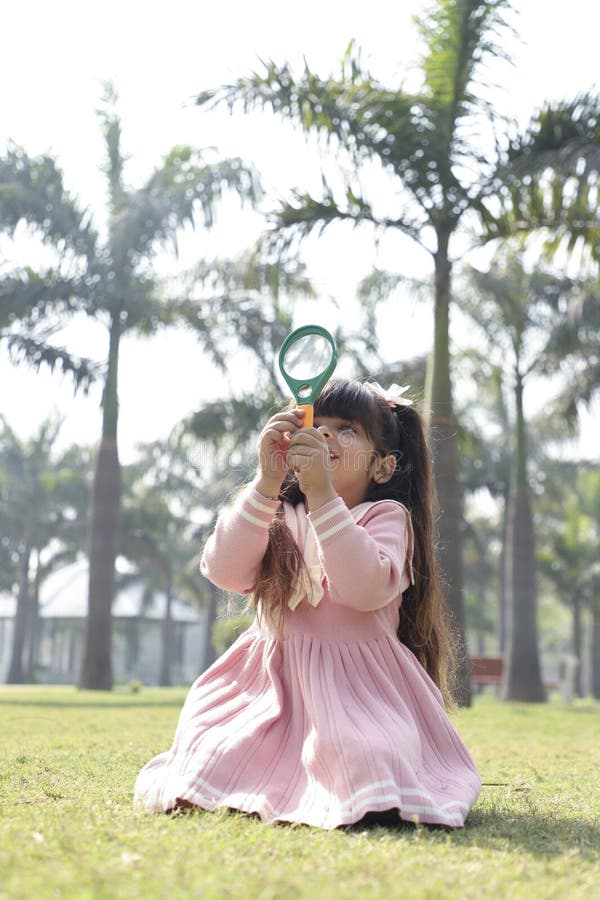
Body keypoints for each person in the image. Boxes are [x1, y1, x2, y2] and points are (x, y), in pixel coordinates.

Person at [134, 379, 481, 829]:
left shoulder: (385, 518)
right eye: (319, 424)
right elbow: (224, 570)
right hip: (267, 687)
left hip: (360, 694)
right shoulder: (274, 512)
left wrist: (322, 495)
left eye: (348, 430)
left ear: (383, 467)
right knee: (209, 740)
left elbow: (362, 588)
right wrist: (265, 480)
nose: (326, 435)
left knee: (366, 753)